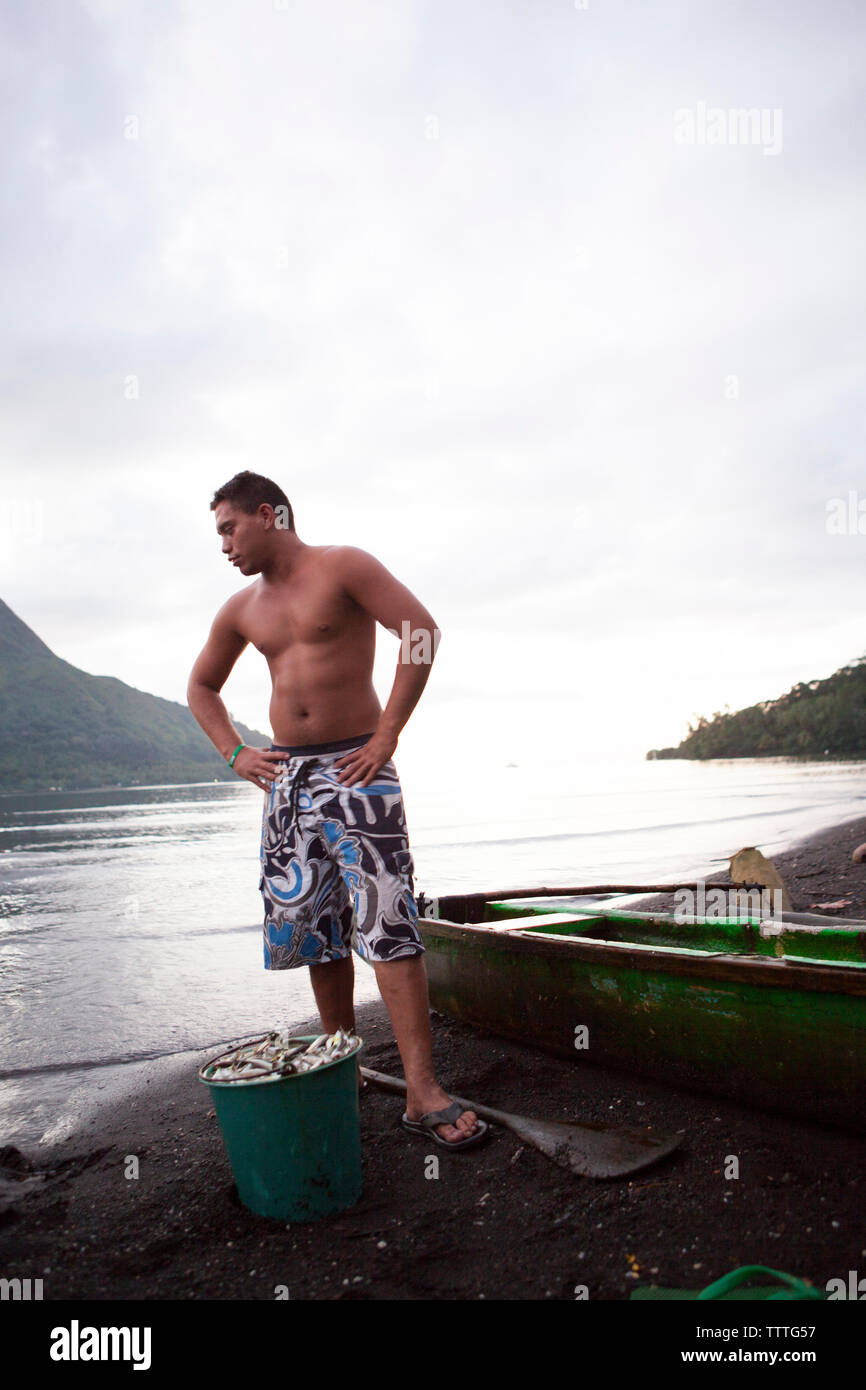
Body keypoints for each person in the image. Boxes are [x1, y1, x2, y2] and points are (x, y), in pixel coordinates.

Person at [187, 470, 486, 1150]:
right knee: (318, 930)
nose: (224, 544)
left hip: (359, 767)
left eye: (230, 528)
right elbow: (201, 686)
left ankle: (422, 1090)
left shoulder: (342, 566)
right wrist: (235, 754)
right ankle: (341, 1062)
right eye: (219, 533)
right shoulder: (241, 609)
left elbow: (419, 631)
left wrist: (388, 735)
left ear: (269, 514)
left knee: (389, 924)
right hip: (288, 780)